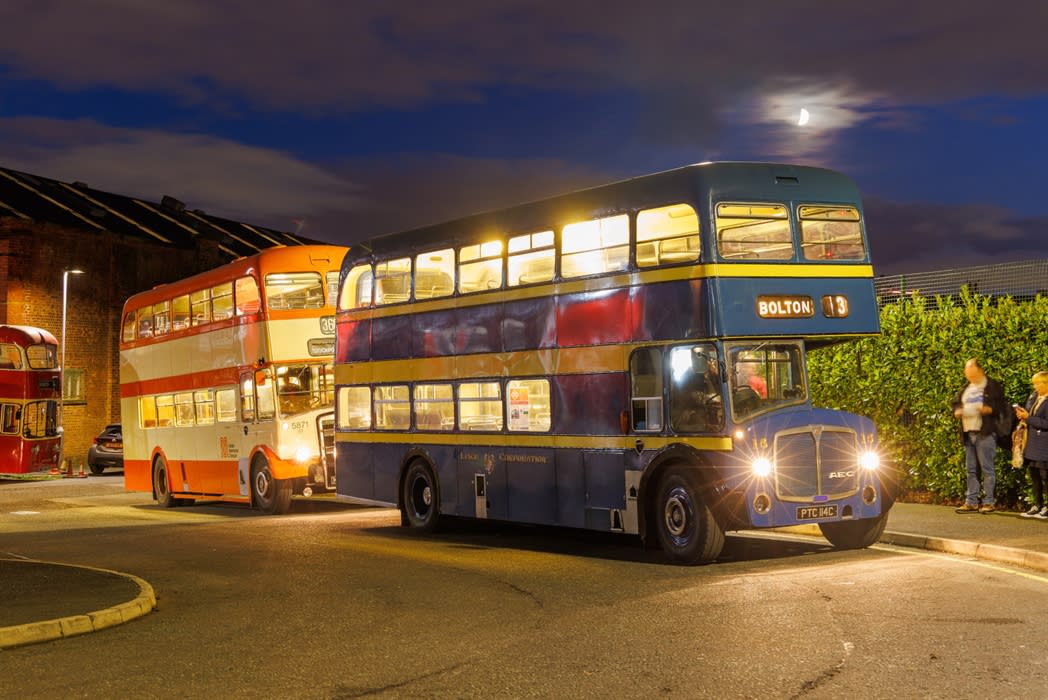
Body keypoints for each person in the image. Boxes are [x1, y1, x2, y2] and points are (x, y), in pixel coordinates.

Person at [951, 358, 1008, 514]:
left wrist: (989, 409)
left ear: (980, 370)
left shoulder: (992, 386)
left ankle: (989, 502)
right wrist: (957, 410)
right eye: (966, 372)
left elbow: (1000, 406)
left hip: (985, 432)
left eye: (971, 372)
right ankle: (971, 501)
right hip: (968, 432)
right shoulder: (966, 388)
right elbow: (955, 403)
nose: (968, 375)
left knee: (987, 469)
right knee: (971, 469)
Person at [1017, 371, 1048, 519]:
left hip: (1044, 444)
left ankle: (1047, 507)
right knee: (1034, 474)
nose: (1034, 387)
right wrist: (1023, 415)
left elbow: (1045, 423)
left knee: (1045, 475)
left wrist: (1029, 418)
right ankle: (1037, 504)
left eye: (1037, 383)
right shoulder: (1035, 397)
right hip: (1032, 442)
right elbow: (1031, 415)